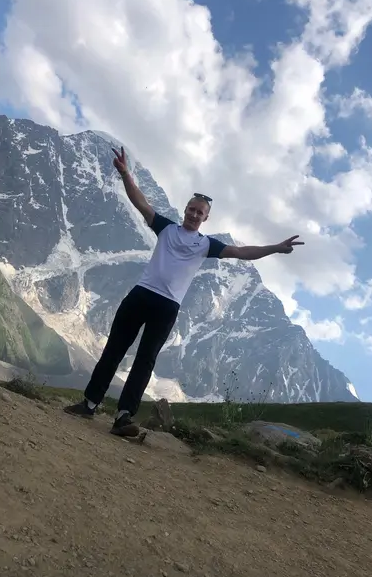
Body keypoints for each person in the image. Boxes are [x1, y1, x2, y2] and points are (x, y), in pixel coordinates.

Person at [64, 146, 304, 436]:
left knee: (145, 361)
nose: (194, 214)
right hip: (141, 294)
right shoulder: (165, 228)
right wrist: (126, 173)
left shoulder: (206, 245)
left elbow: (243, 253)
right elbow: (140, 202)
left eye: (200, 212)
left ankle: (124, 417)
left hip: (167, 306)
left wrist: (276, 248)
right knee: (114, 348)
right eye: (191, 209)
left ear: (206, 218)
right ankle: (89, 404)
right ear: (185, 210)